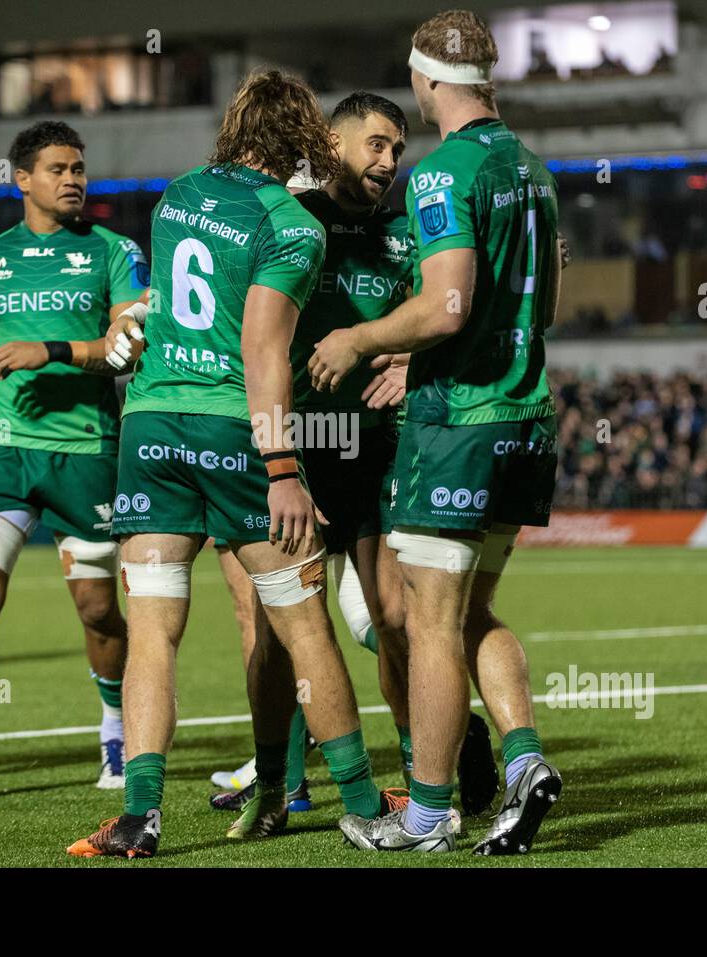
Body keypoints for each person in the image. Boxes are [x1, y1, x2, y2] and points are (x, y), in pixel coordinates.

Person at [66, 69, 392, 860]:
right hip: (230, 433)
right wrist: (282, 463)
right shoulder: (290, 223)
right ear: (306, 137)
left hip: (148, 429)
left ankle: (139, 816)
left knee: (152, 629)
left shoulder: (177, 193)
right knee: (305, 622)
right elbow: (262, 348)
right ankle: (362, 802)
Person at [311, 9, 564, 854]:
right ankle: (525, 761)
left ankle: (424, 815)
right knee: (471, 613)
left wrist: (362, 338)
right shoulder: (533, 170)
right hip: (529, 418)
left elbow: (447, 304)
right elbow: (544, 307)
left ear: (424, 81)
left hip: (459, 425)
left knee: (427, 624)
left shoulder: (440, 173)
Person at [206, 91, 499, 817]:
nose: (388, 161)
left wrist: (408, 360)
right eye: (374, 144)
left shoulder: (409, 230)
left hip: (372, 449)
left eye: (397, 150)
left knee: (396, 617)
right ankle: (284, 778)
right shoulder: (285, 216)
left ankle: (426, 757)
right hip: (290, 450)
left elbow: (457, 306)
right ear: (330, 143)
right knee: (277, 627)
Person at [0, 121, 149, 803]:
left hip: (87, 453)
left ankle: (114, 736)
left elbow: (131, 342)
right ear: (21, 178)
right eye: (57, 168)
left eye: (79, 167)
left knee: (99, 609)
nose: (73, 178)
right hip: (3, 451)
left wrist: (52, 349)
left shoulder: (112, 249)